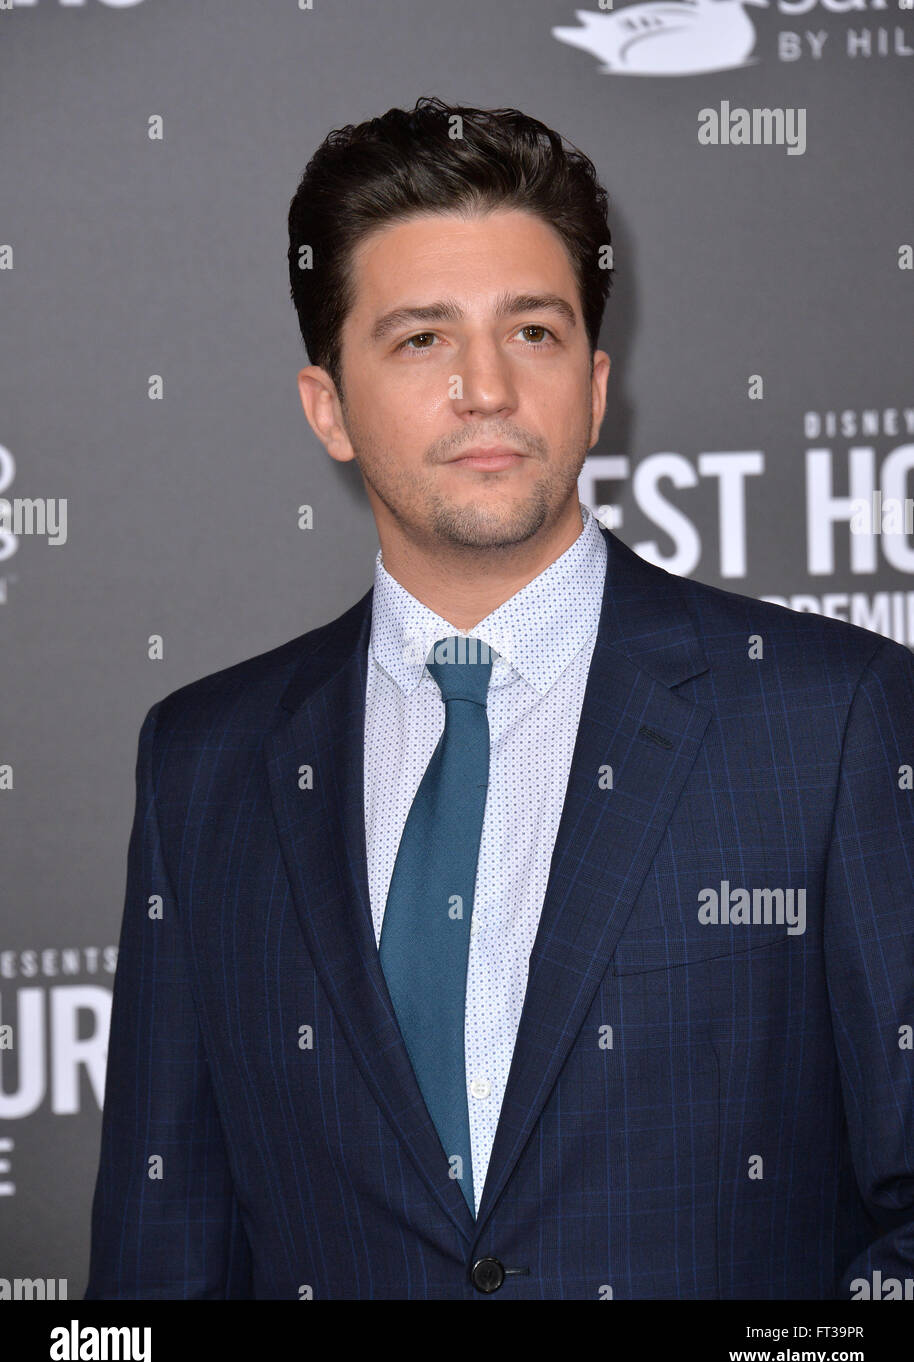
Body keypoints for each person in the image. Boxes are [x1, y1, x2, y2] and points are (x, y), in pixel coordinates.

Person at [84, 96, 914, 1300]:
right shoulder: (204, 762)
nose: (484, 386)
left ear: (591, 382)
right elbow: (160, 1259)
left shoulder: (827, 719)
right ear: (326, 404)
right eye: (421, 339)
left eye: (531, 331)